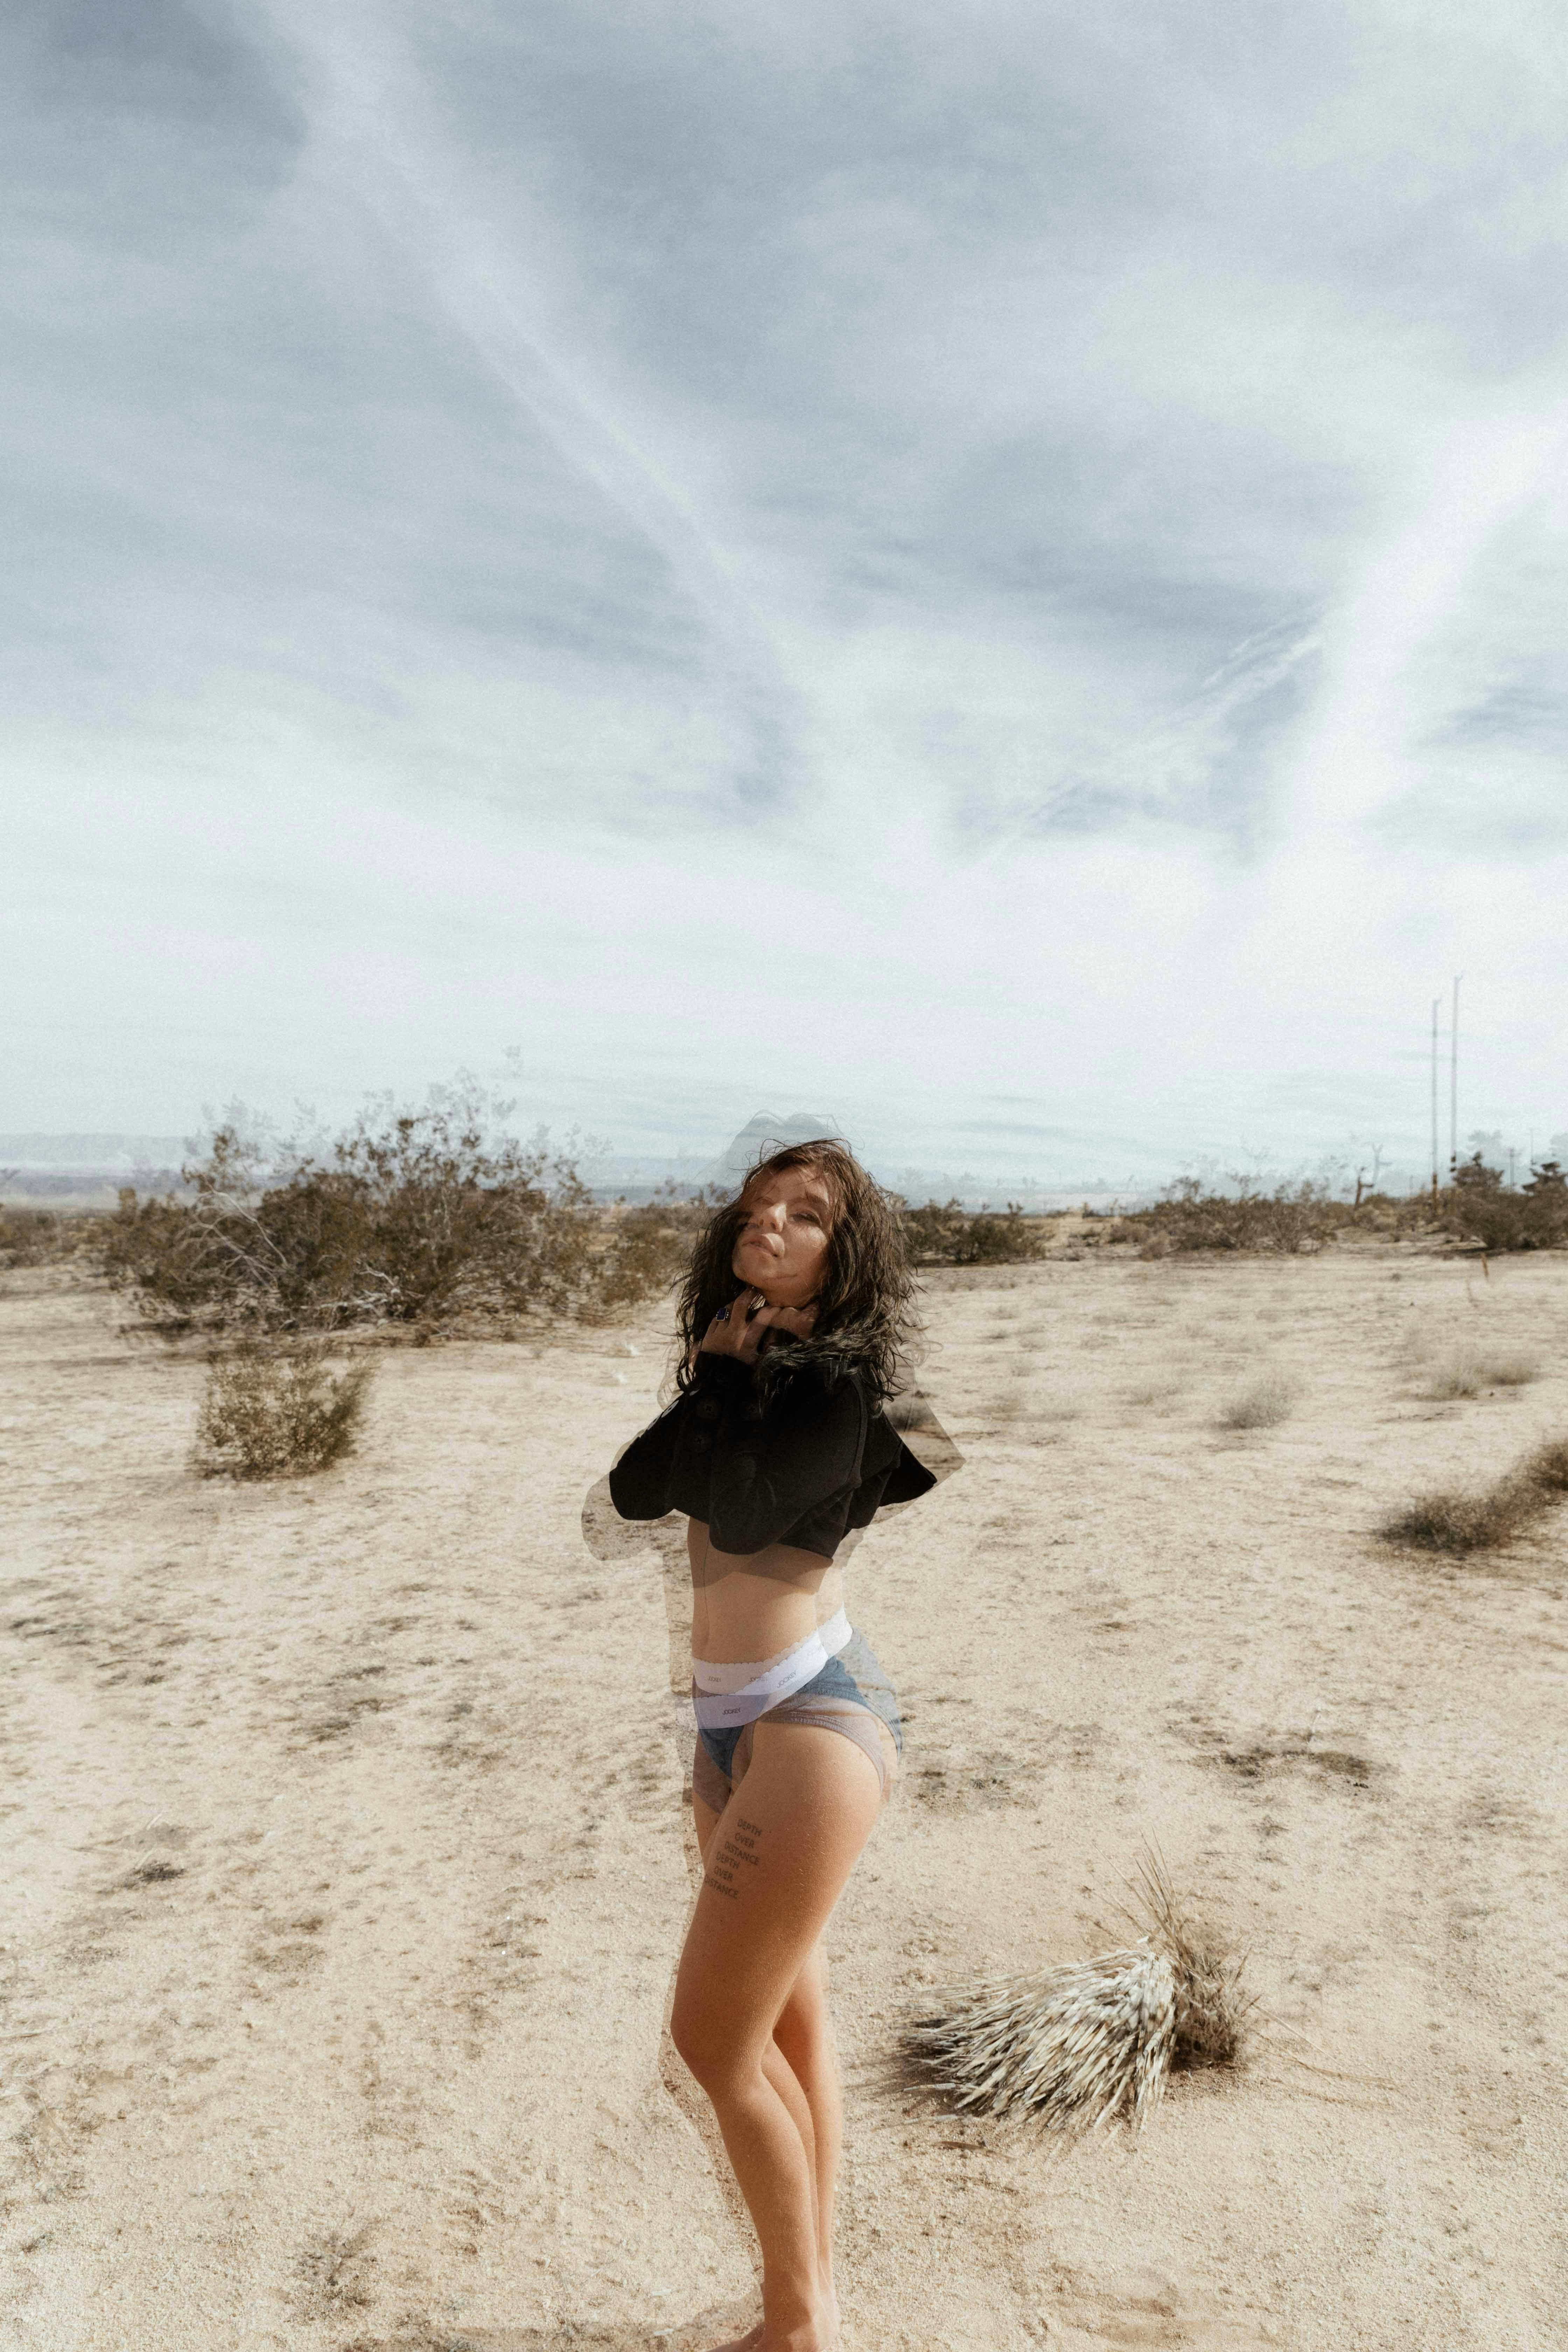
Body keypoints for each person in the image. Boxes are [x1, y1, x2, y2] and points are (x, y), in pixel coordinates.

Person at [606, 1139, 958, 2352]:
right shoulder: (751, 1369)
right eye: (762, 1203)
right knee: (790, 2025)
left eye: (806, 1215)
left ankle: (797, 2328)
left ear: (843, 1258)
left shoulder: (837, 1390)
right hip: (730, 1727)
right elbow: (640, 1491)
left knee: (713, 2043)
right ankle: (807, 2292)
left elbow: (747, 1510)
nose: (772, 1219)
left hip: (812, 1720)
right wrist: (713, 1368)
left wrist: (722, 1387)